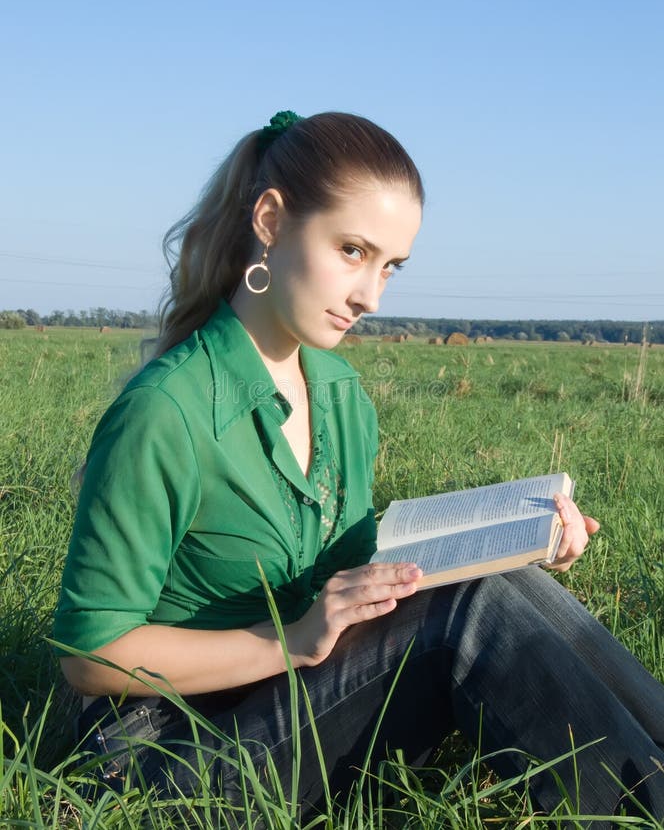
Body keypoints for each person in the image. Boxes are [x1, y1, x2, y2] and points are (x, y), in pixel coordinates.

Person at [54, 111, 664, 825]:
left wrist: (515, 543)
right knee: (467, 616)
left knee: (495, 578)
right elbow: (90, 656)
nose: (370, 296)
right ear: (272, 220)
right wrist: (294, 641)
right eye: (352, 250)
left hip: (291, 701)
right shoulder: (166, 411)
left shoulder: (341, 396)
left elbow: (345, 572)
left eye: (390, 267)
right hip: (165, 755)